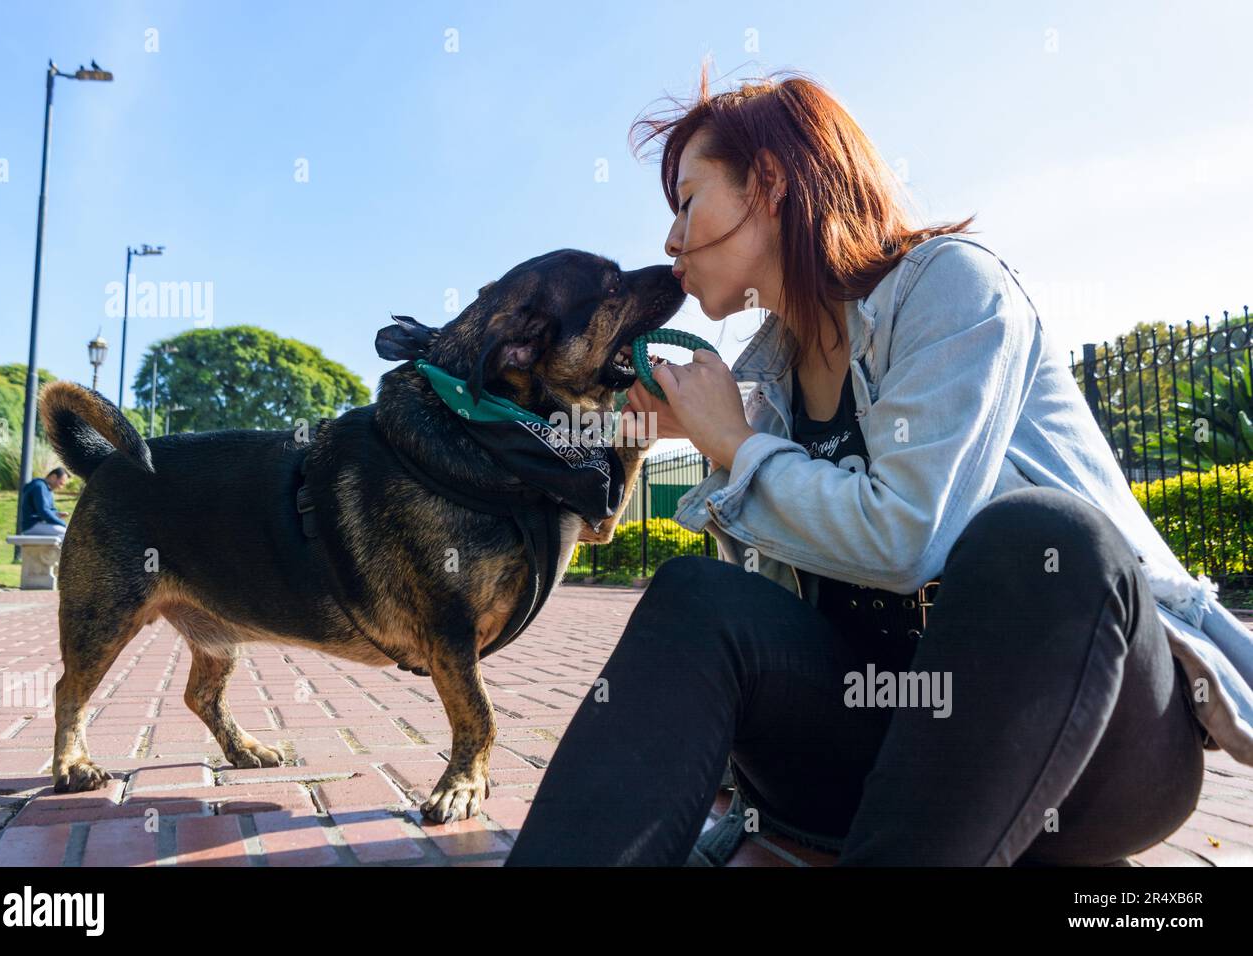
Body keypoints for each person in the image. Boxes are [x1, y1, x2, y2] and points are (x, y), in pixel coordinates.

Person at [504, 68, 1253, 867]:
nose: (670, 240)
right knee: (697, 595)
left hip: (1091, 754)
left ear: (768, 182)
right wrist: (719, 459)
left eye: (688, 202)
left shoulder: (952, 287)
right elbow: (772, 604)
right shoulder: (769, 381)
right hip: (889, 751)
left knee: (1052, 537)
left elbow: (907, 538)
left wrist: (738, 449)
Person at [21, 466, 69, 538]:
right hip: (32, 525)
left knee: (69, 532)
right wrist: (62, 523)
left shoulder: (46, 488)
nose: (61, 487)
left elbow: (47, 510)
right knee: (67, 534)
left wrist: (57, 514)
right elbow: (43, 511)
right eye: (61, 483)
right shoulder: (39, 486)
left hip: (40, 524)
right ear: (53, 477)